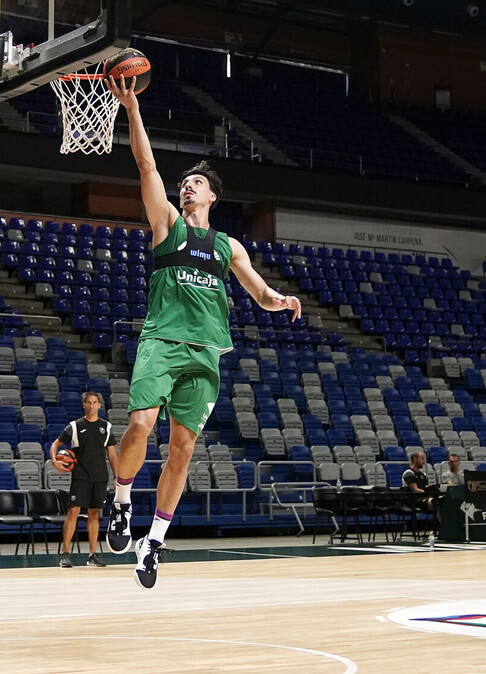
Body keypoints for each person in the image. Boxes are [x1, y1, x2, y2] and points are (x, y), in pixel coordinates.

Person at [103, 75, 302, 589]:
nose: (186, 184)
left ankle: (153, 543)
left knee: (184, 449)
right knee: (142, 425)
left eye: (196, 182)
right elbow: (146, 164)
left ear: (212, 196)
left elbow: (258, 293)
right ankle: (121, 497)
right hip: (162, 343)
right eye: (185, 181)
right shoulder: (168, 223)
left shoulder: (228, 246)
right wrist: (131, 109)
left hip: (206, 354)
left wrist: (279, 301)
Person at [50, 392, 118, 569]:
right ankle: (65, 553)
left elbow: (112, 454)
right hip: (80, 475)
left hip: (100, 476)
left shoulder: (107, 427)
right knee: (73, 512)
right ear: (84, 405)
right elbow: (55, 444)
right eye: (89, 402)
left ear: (99, 405)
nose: (92, 405)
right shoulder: (75, 426)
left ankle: (92, 555)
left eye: (95, 402)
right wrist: (54, 461)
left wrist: (118, 476)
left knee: (95, 514)